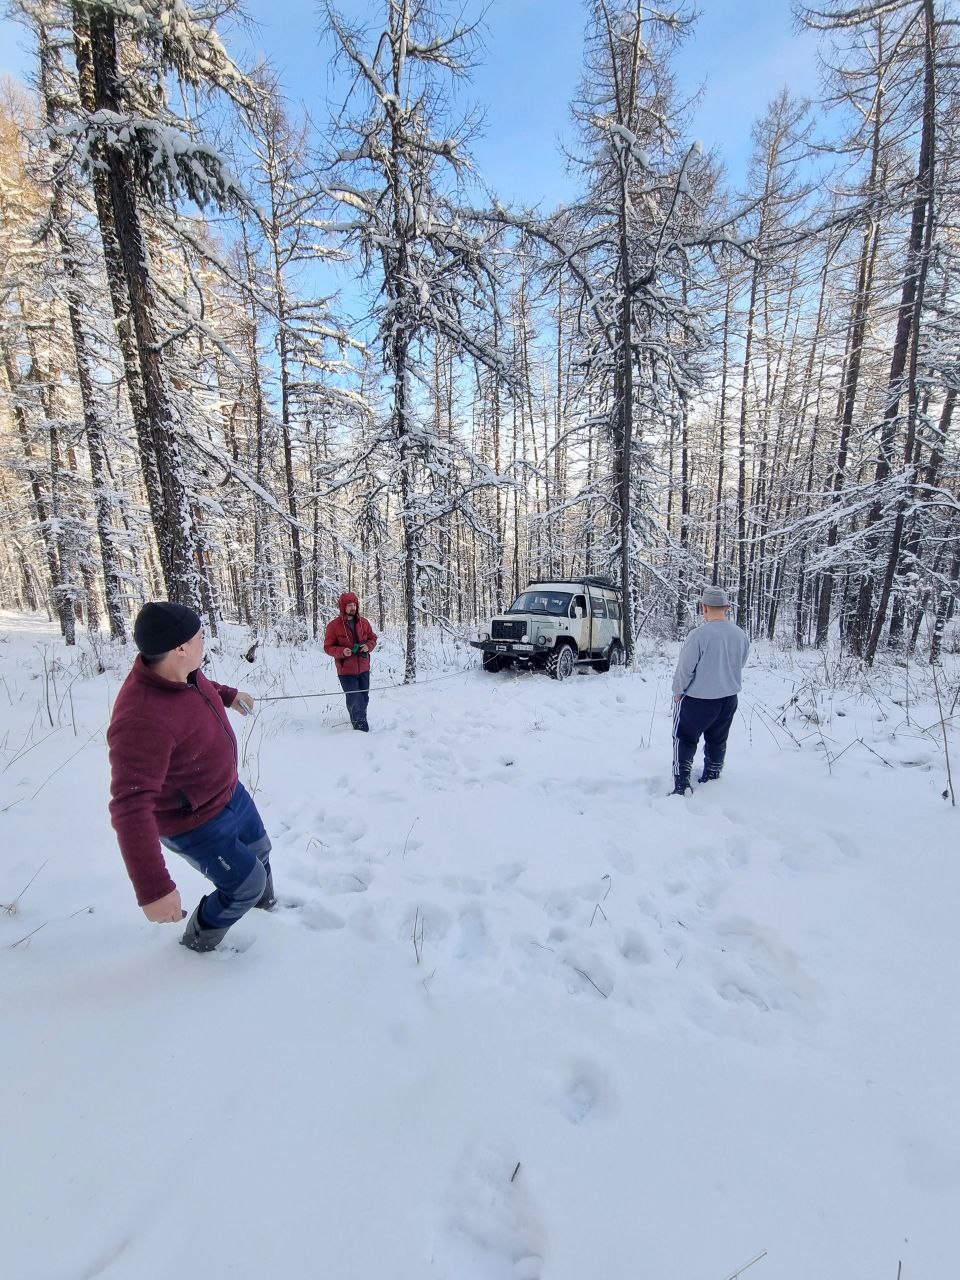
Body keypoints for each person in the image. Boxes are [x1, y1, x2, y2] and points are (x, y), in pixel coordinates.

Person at [107, 601, 276, 953]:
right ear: (180, 648)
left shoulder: (179, 670)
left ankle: (266, 911)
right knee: (246, 884)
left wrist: (229, 696)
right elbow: (129, 807)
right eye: (200, 636)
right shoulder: (140, 719)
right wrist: (153, 889)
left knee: (260, 849)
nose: (205, 641)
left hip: (229, 793)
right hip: (193, 821)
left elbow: (199, 682)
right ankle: (197, 944)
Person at [670, 586, 749, 795]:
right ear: (727, 608)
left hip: (699, 700)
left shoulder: (698, 635)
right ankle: (712, 777)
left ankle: (681, 784)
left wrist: (678, 691)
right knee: (717, 739)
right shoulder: (740, 634)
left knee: (684, 738)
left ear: (704, 607)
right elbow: (740, 662)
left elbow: (685, 669)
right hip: (728, 698)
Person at [324, 592, 378, 731]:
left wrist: (368, 646)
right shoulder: (333, 626)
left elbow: (372, 638)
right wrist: (342, 651)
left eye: (354, 604)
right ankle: (360, 729)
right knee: (354, 697)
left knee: (364, 697)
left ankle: (360, 717)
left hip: (364, 668)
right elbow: (328, 647)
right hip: (346, 670)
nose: (352, 608)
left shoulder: (364, 623)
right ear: (343, 607)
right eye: (349, 605)